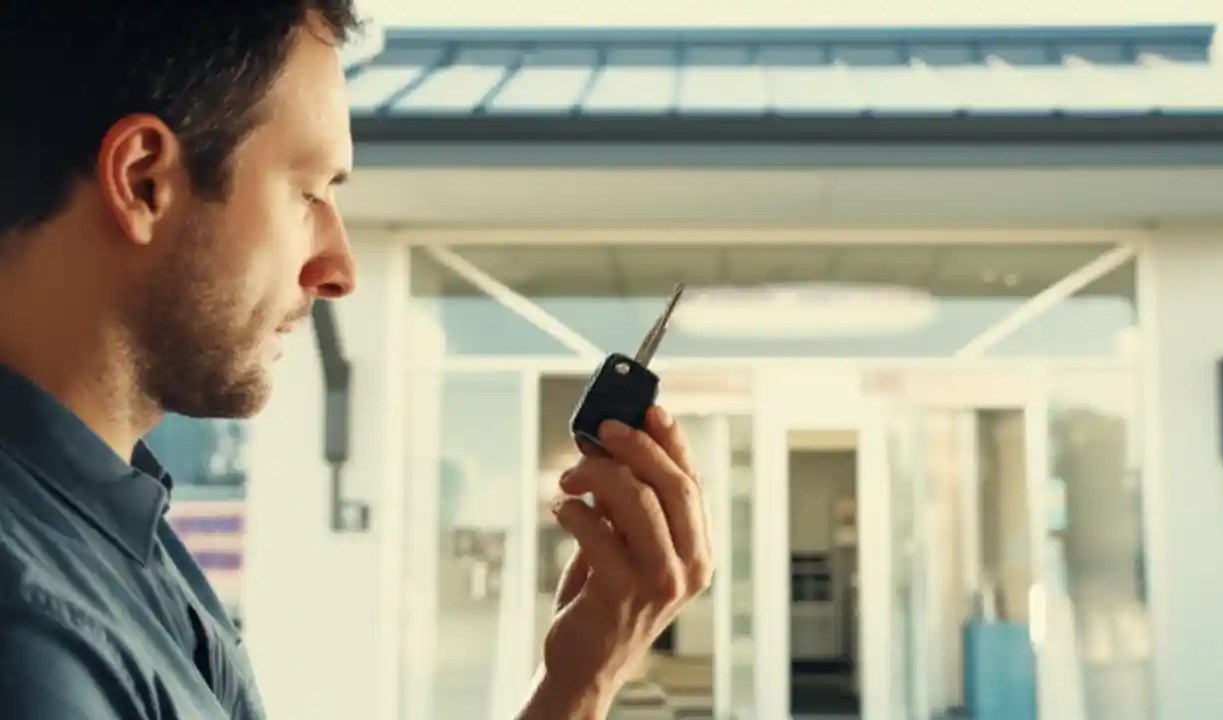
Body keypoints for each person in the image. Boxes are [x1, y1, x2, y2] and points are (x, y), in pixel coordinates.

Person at [0, 4, 713, 719]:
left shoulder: (116, 537)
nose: (340, 270)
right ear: (144, 180)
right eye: (309, 193)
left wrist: (575, 682)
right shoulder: (33, 638)